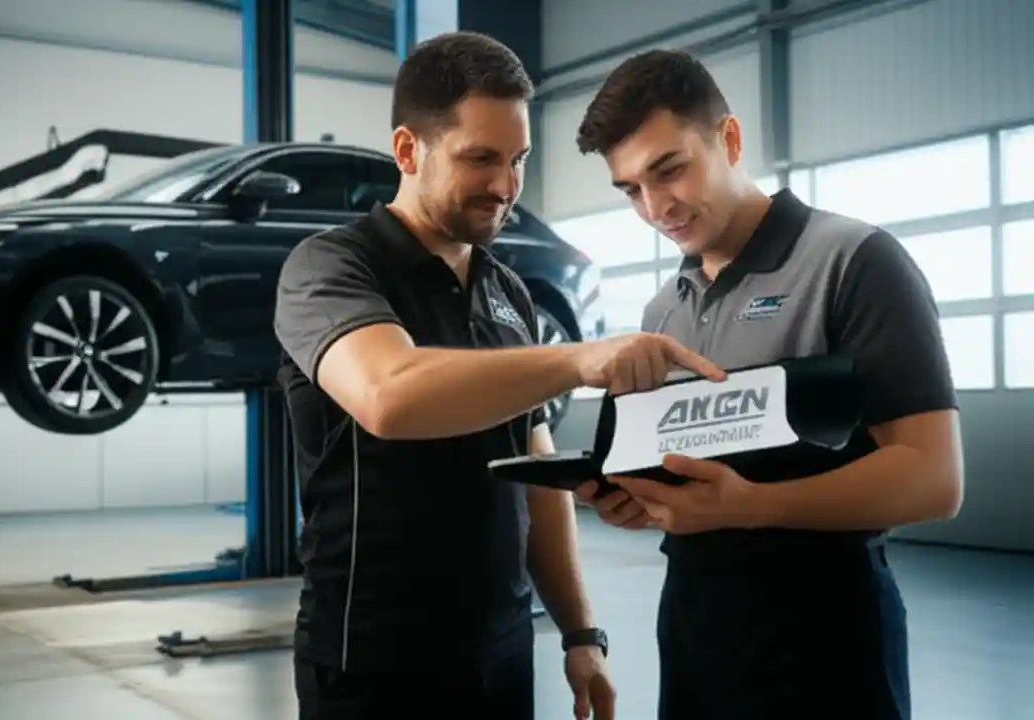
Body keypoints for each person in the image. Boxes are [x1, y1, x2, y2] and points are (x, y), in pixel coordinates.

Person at [273, 33, 724, 720]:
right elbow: (389, 395)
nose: (507, 187)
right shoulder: (331, 268)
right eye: (481, 158)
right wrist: (579, 359)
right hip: (372, 665)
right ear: (408, 151)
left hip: (502, 656)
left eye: (518, 160)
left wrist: (579, 632)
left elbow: (534, 473)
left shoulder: (507, 291)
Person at [571, 49, 965, 719]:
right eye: (631, 190)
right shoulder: (662, 312)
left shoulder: (855, 262)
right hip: (693, 623)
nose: (656, 207)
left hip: (825, 629)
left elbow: (934, 479)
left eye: (669, 170)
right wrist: (639, 502)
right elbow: (690, 472)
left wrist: (747, 505)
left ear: (729, 139)